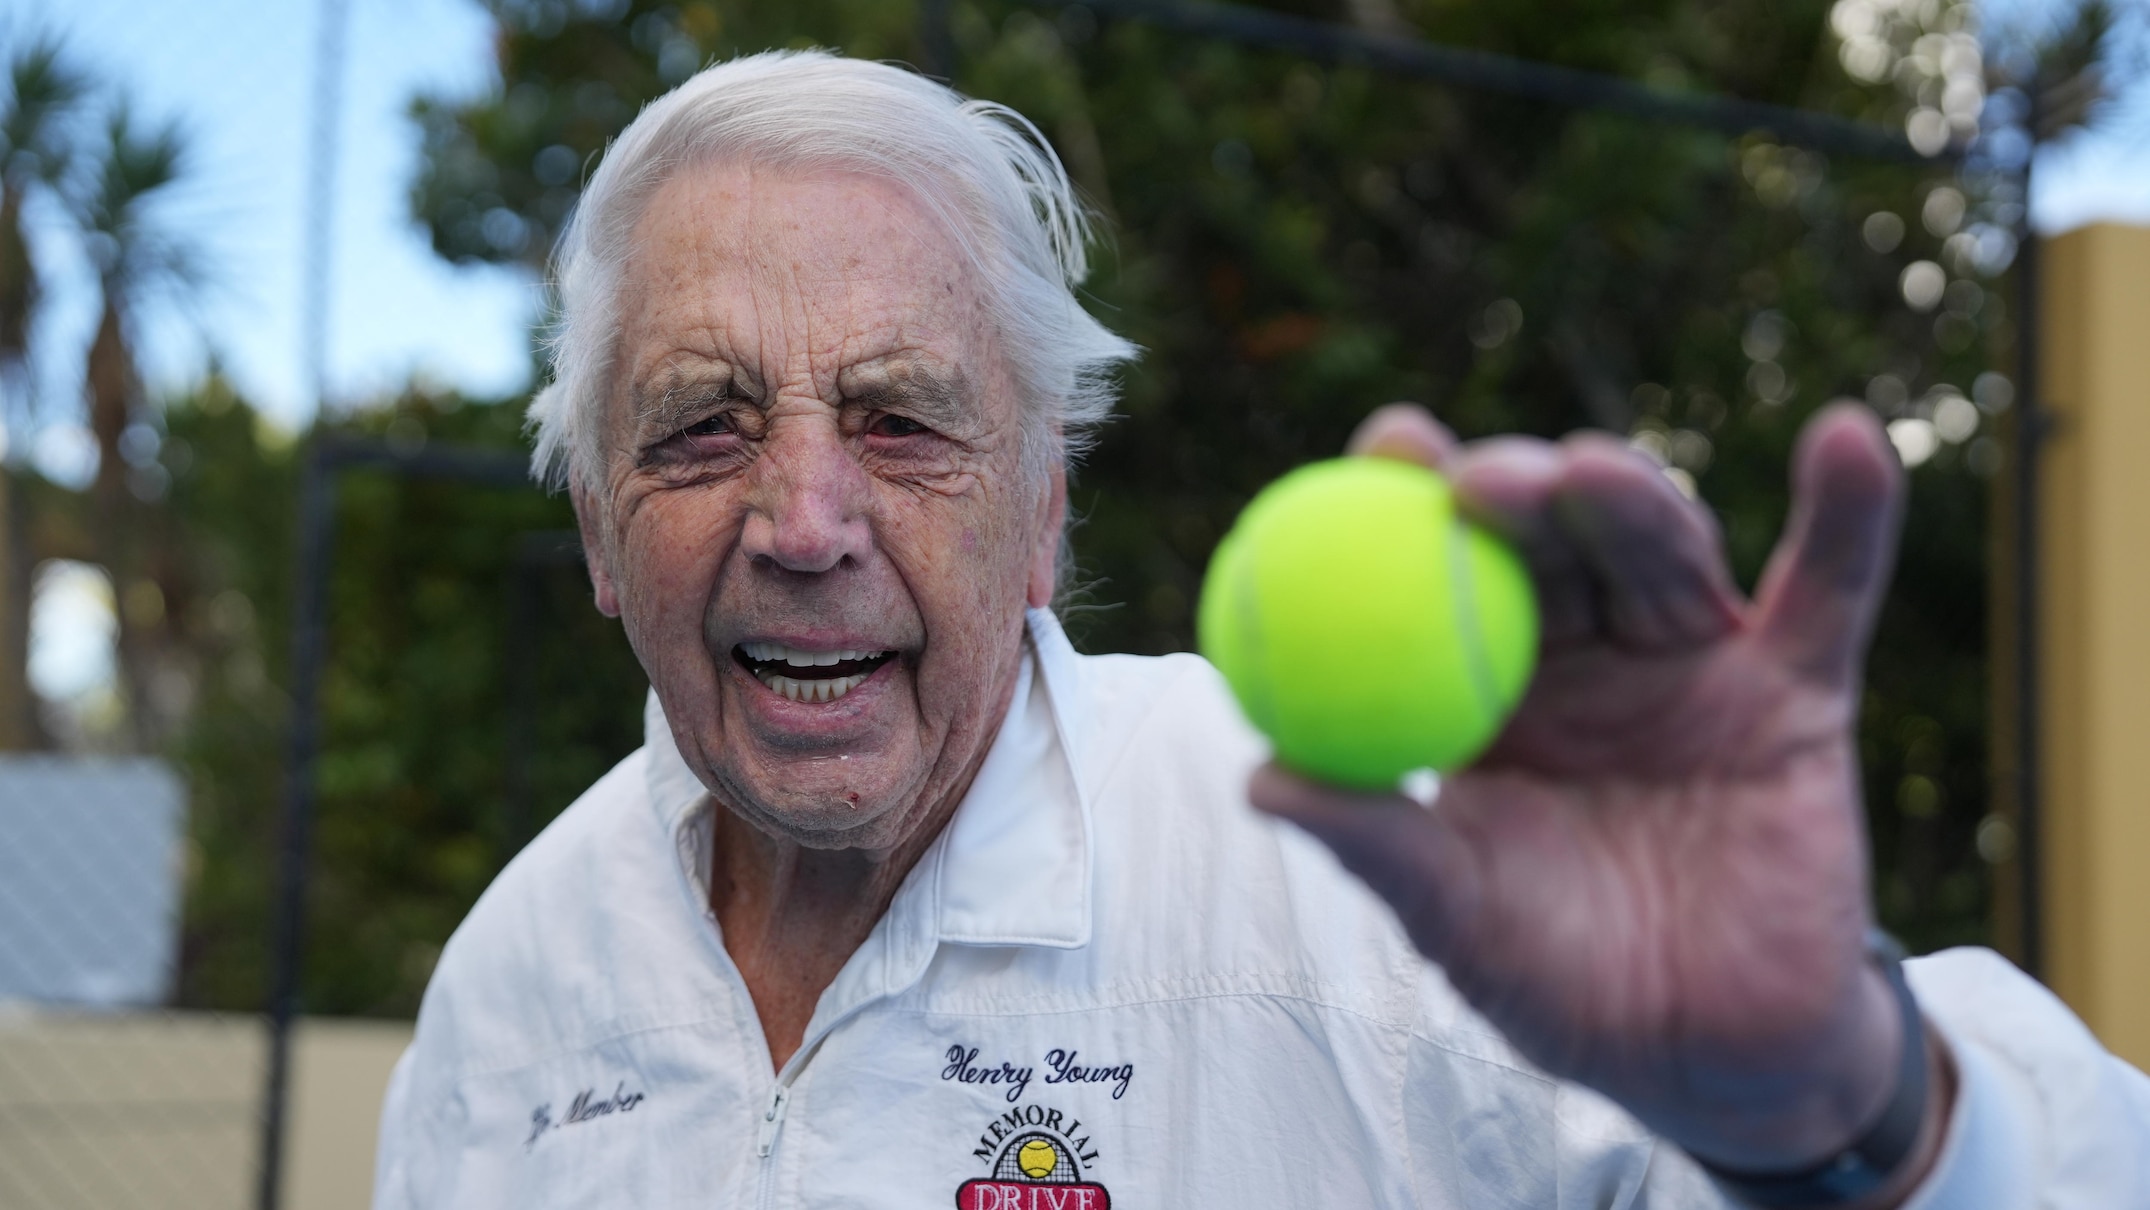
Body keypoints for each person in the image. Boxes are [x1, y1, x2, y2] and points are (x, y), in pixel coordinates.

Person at [372, 50, 2150, 1208]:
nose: (806, 521)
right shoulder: (512, 990)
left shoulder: (1363, 872)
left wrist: (1856, 1113)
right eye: (702, 425)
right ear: (603, 532)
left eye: (903, 417)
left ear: (1044, 508)